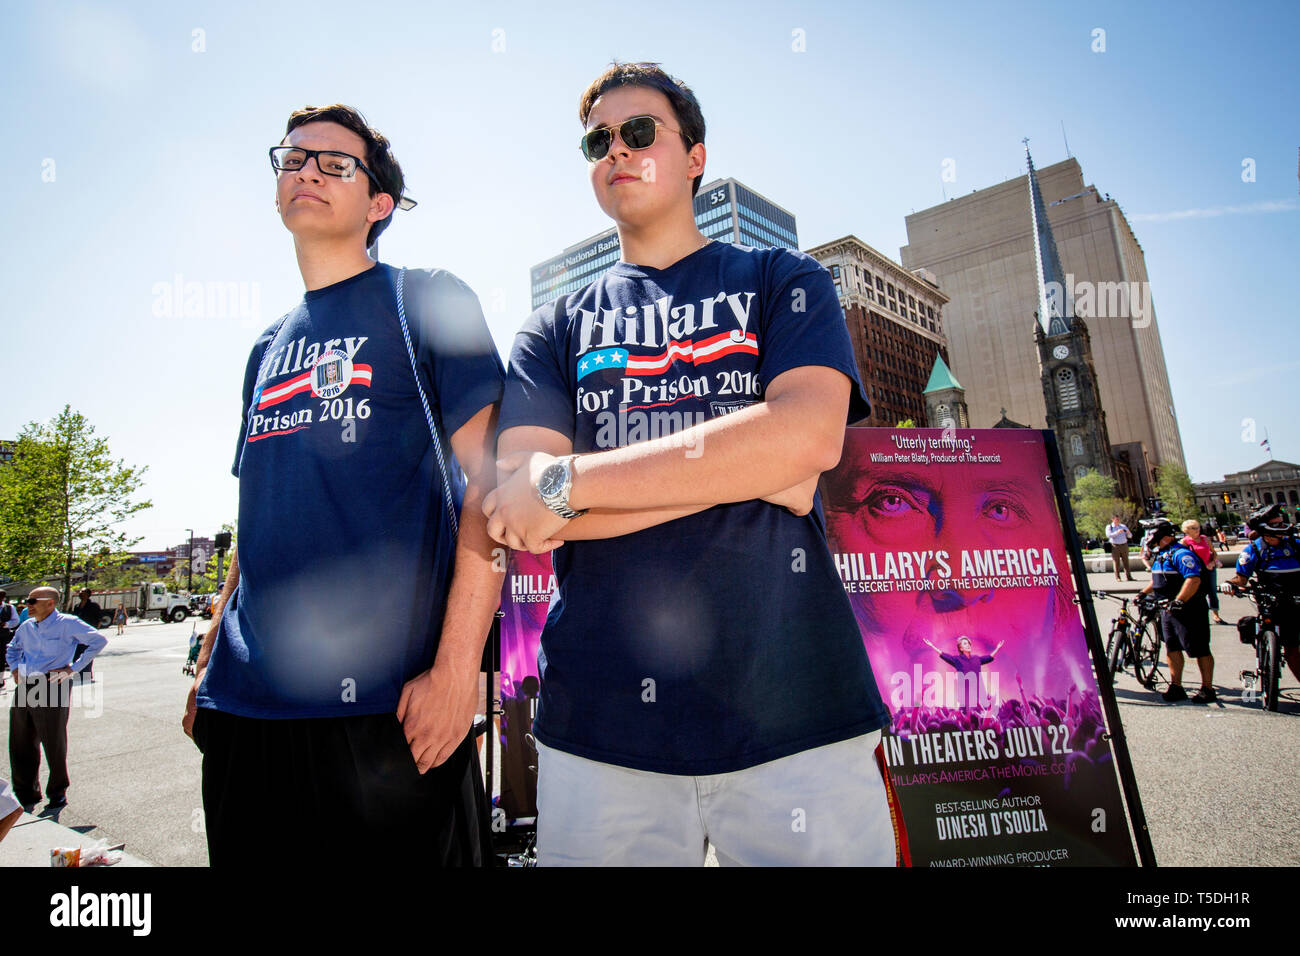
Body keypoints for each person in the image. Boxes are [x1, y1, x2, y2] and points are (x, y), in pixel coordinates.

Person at [487, 62, 895, 866]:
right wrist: (749, 468)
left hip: (796, 712)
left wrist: (575, 491)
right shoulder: (552, 327)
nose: (617, 151)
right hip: (601, 726)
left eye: (641, 132)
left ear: (695, 156)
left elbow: (807, 445)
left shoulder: (787, 279)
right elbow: (521, 510)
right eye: (597, 140)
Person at [183, 104, 504, 867]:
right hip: (245, 711)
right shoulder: (266, 345)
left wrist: (458, 670)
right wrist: (205, 665)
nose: (306, 172)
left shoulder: (425, 299)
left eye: (335, 163)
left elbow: (495, 487)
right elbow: (252, 518)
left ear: (379, 204)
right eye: (293, 159)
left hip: (385, 717)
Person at [5, 587, 108, 810]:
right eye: (27, 600)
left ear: (50, 603)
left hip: (52, 684)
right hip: (26, 684)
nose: (28, 605)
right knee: (20, 740)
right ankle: (26, 793)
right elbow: (12, 649)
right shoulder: (26, 626)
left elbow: (98, 641)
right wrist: (14, 669)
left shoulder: (67, 623)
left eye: (33, 600)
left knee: (53, 741)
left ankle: (57, 791)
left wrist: (73, 668)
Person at [1220, 503, 1300, 684]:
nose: (1283, 526)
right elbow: (1240, 579)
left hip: (1297, 597)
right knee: (1291, 647)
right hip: (1274, 602)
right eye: (1277, 524)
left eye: (1282, 522)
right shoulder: (1254, 550)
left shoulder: (1295, 545)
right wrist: (1228, 584)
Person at [1139, 521, 1214, 703]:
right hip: (1168, 610)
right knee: (1172, 648)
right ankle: (1176, 686)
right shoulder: (1162, 555)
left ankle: (1207, 688)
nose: (1151, 540)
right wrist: (1143, 593)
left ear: (1166, 537)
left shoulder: (1181, 554)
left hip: (1189, 609)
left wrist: (1179, 600)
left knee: (1199, 648)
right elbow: (1157, 579)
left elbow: (1193, 580)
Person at [923, 636, 1004, 712]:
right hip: (965, 694)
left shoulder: (976, 658)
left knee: (984, 712)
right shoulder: (957, 659)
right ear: (961, 648)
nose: (968, 645)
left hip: (980, 692)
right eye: (965, 643)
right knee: (966, 714)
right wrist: (932, 646)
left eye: (969, 643)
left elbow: (989, 657)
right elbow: (944, 655)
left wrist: (998, 648)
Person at [1182, 518, 1224, 624]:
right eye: (1194, 528)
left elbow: (1214, 553)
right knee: (1197, 593)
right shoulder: (1185, 542)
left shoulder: (1204, 538)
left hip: (1209, 568)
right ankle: (1199, 616)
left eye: (1198, 527)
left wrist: (1212, 562)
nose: (1197, 530)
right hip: (1196, 571)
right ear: (1187, 530)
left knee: (1212, 591)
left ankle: (1216, 615)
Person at [71, 588, 102, 683]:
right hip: (78, 635)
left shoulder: (94, 606)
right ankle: (78, 674)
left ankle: (87, 676)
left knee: (87, 655)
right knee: (76, 655)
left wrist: (95, 632)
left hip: (89, 635)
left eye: (83, 592)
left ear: (88, 594)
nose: (80, 594)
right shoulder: (77, 606)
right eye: (80, 592)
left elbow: (99, 619)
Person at [1105, 514, 1135, 581]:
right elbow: (1108, 535)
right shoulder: (1109, 527)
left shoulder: (1123, 526)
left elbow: (1130, 536)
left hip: (1124, 545)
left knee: (1126, 562)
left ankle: (1128, 577)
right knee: (1116, 562)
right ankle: (1118, 577)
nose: (1118, 520)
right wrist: (1117, 532)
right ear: (1113, 519)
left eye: (1118, 519)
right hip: (1115, 546)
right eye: (1116, 519)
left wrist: (1128, 532)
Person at [0, 590, 18, 692]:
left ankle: (0, 680)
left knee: (1, 660)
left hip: (2, 637)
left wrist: (5, 624)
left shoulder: (9, 608)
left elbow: (15, 620)